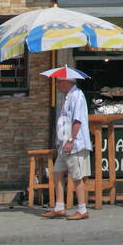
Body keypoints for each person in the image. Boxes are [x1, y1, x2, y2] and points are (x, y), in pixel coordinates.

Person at [43, 71, 94, 221]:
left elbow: (77, 120)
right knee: (57, 172)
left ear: (67, 82)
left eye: (59, 82)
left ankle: (82, 209)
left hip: (75, 144)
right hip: (64, 142)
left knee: (77, 176)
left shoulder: (77, 96)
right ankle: (59, 207)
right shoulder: (67, 97)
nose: (57, 85)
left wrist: (71, 140)